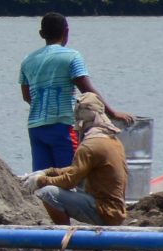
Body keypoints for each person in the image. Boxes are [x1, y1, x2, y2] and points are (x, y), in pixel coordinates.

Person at [20, 12, 131, 173]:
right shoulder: (72, 56)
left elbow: (26, 96)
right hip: (62, 126)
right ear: (66, 32)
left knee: (41, 179)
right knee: (70, 175)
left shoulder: (28, 60)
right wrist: (112, 114)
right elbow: (86, 89)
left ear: (41, 34)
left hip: (35, 127)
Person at [35, 92, 128, 225]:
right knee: (74, 182)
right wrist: (49, 171)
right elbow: (76, 170)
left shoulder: (90, 145)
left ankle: (64, 235)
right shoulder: (112, 140)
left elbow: (69, 181)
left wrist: (41, 181)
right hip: (116, 210)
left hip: (105, 213)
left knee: (47, 193)